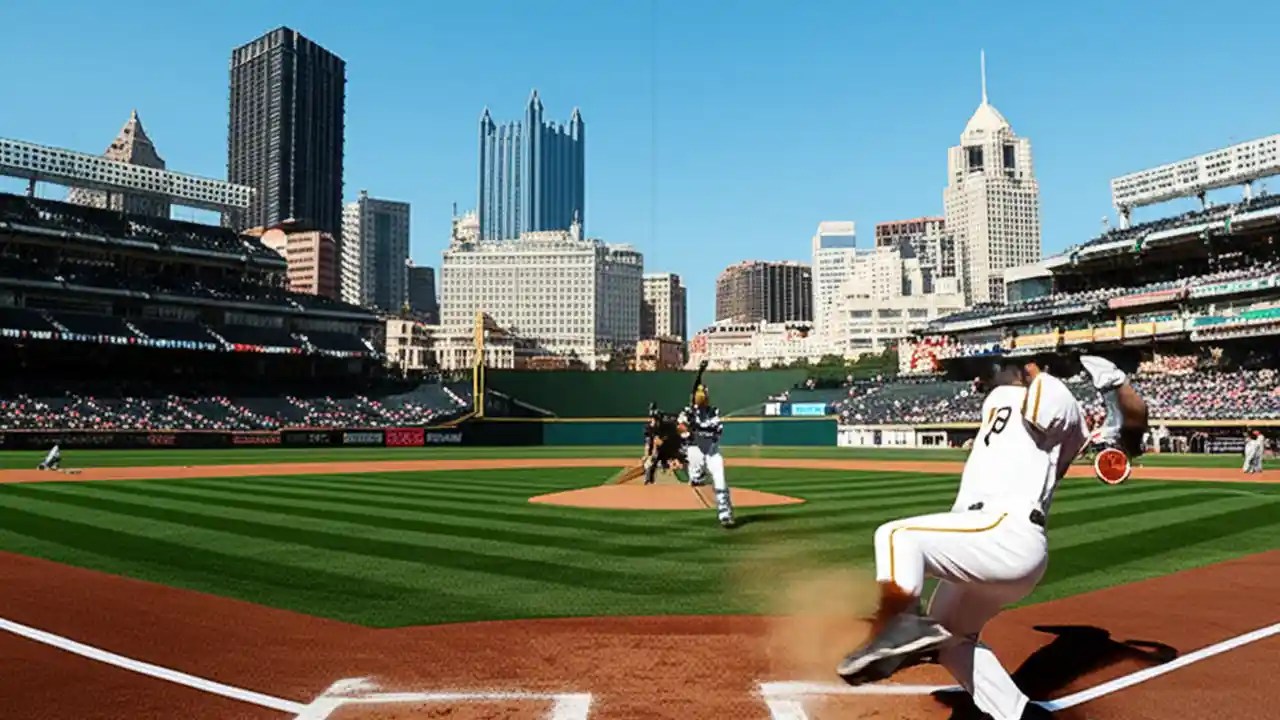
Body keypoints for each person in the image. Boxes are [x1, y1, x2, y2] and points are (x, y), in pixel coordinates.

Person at [835, 353, 1148, 720]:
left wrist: (1108, 384)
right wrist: (1113, 403)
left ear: (1027, 368)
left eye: (997, 371)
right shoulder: (1022, 405)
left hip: (1004, 531)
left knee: (898, 536)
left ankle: (902, 624)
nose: (985, 380)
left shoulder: (1049, 392)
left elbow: (1093, 419)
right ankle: (1020, 715)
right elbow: (1128, 429)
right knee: (952, 643)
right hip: (989, 544)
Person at [678, 383, 735, 528]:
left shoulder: (713, 412)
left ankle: (725, 515)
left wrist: (699, 428)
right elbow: (680, 428)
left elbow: (717, 431)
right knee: (695, 476)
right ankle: (696, 475)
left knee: (720, 480)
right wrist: (689, 427)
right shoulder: (687, 412)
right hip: (695, 449)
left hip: (711, 450)